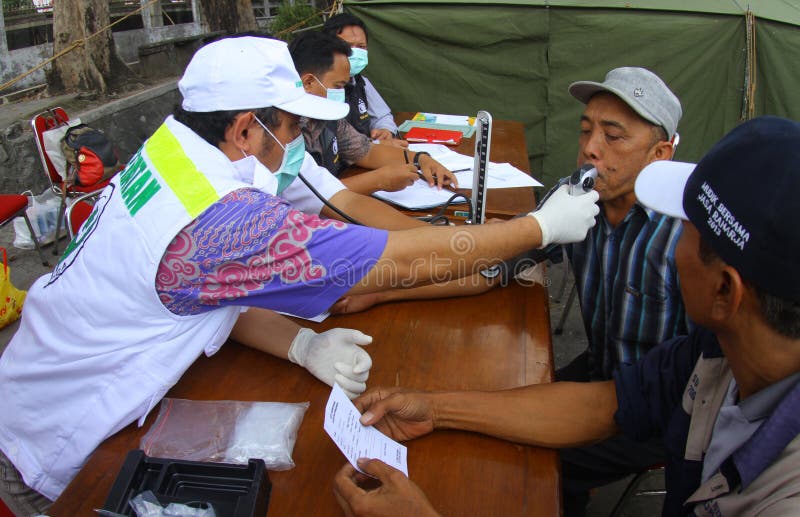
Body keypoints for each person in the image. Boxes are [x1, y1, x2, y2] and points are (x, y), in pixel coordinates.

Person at [0, 36, 600, 515]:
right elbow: (394, 261)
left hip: (35, 376)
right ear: (242, 129)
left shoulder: (171, 149)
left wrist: (301, 343)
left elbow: (211, 291)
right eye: (289, 127)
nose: (299, 143)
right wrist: (537, 230)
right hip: (49, 441)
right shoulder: (216, 219)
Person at [333, 116, 800, 517]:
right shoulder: (711, 354)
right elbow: (606, 402)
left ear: (724, 290)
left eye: (689, 232)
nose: (592, 148)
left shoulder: (782, 496)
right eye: (586, 129)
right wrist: (434, 408)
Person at [329, 66, 687, 514]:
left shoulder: (684, 242)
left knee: (526, 468)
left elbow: (696, 384)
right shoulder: (577, 198)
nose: (590, 149)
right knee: (476, 405)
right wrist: (385, 293)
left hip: (661, 412)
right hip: (603, 372)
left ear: (660, 154)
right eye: (585, 130)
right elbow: (491, 268)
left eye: (613, 137)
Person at [289, 31, 455, 195]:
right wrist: (379, 180)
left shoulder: (327, 116)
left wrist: (420, 159)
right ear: (308, 82)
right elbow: (309, 195)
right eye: (338, 86)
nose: (342, 93)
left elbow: (365, 151)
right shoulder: (285, 129)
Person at [322, 12, 401, 143]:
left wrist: (385, 131)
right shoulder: (318, 88)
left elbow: (382, 116)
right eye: (347, 47)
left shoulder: (361, 82)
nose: (354, 52)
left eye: (361, 47)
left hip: (369, 155)